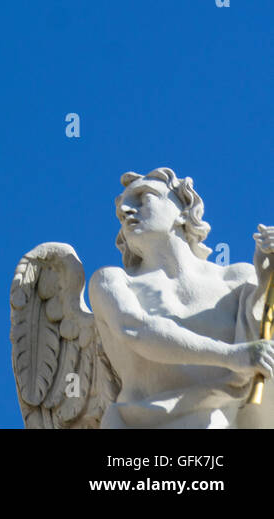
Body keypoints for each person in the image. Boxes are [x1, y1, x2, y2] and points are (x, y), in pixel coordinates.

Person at [89, 168, 274, 428]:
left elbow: (262, 354)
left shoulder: (238, 280)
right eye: (122, 210)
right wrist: (231, 355)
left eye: (144, 197)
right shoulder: (113, 281)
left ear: (184, 210)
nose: (127, 210)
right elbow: (135, 328)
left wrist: (267, 286)